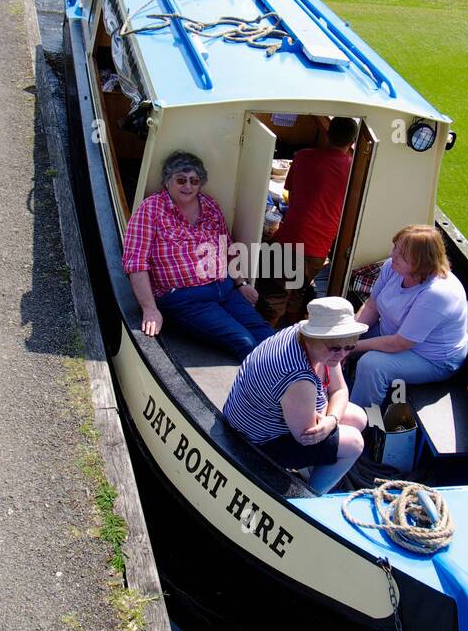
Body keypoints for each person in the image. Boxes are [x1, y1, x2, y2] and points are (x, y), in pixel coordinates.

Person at [122, 151, 274, 359]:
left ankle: (297, 384)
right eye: (181, 180)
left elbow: (227, 248)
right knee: (244, 341)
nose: (188, 186)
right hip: (185, 299)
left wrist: (240, 283)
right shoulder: (150, 209)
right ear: (167, 181)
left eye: (194, 181)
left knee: (268, 336)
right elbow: (136, 263)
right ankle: (270, 389)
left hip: (224, 289)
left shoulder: (210, 205)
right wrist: (150, 309)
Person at [224, 297, 368, 495]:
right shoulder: (299, 379)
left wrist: (331, 420)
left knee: (358, 417)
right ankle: (310, 495)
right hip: (254, 442)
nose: (342, 354)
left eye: (349, 347)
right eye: (335, 347)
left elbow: (339, 390)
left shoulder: (307, 337)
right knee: (353, 443)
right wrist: (327, 423)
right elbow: (306, 435)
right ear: (315, 338)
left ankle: (314, 469)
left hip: (272, 419)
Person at [348, 226, 468, 409]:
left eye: (402, 254)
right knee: (337, 337)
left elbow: (401, 343)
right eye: (395, 247)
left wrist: (351, 347)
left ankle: (361, 421)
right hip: (391, 333)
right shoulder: (393, 267)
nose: (392, 255)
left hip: (430, 358)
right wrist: (347, 339)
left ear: (422, 262)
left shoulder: (436, 294)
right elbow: (372, 305)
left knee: (371, 365)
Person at [257, 117, 358, 328]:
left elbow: (290, 196)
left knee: (274, 297)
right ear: (353, 141)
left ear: (328, 133)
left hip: (289, 238)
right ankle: (291, 339)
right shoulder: (353, 170)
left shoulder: (303, 157)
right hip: (318, 248)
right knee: (297, 295)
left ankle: (263, 345)